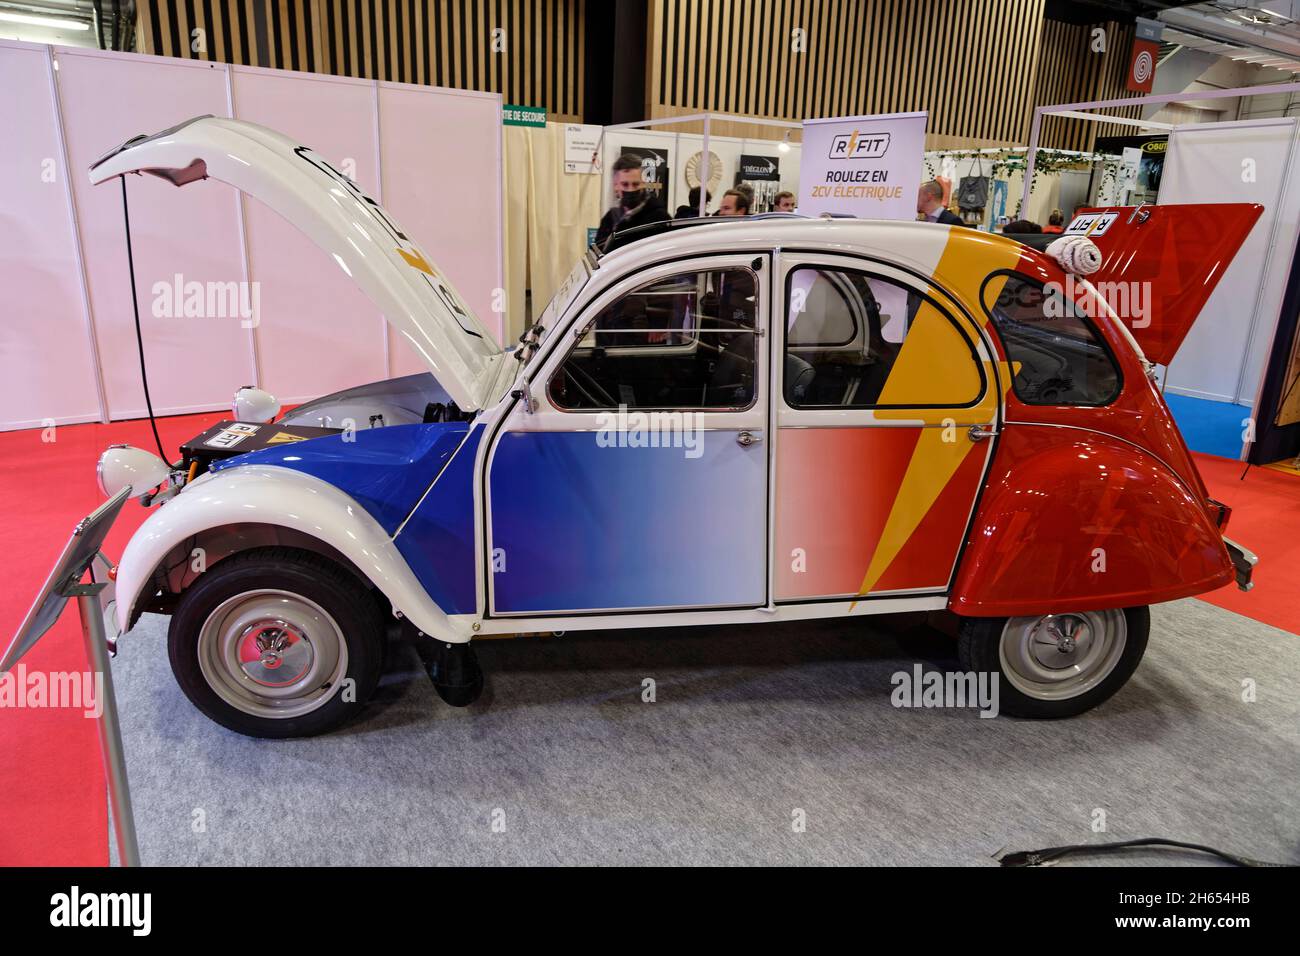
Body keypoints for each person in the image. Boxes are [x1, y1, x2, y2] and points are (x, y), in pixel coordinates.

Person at [594, 153, 670, 248]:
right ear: (616, 186)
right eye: (625, 184)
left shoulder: (659, 219)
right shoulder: (609, 219)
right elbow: (598, 254)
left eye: (635, 184)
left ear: (643, 184)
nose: (630, 189)